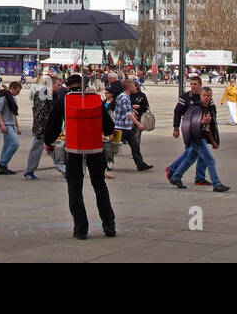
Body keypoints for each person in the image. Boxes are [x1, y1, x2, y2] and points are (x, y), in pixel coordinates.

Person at [42, 73, 116, 239]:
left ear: (68, 86)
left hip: (73, 150)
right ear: (84, 85)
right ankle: (109, 224)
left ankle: (81, 229)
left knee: (75, 189)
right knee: (100, 187)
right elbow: (109, 128)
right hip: (95, 149)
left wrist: (48, 142)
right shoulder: (96, 100)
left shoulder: (64, 101)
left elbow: (53, 124)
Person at [169, 86, 230, 192]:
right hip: (196, 138)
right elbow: (188, 123)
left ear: (211, 96)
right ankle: (217, 183)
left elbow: (210, 127)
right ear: (200, 96)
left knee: (190, 158)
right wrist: (201, 122)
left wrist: (213, 140)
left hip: (203, 137)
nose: (206, 97)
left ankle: (176, 176)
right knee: (210, 160)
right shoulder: (195, 108)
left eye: (208, 96)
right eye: (204, 95)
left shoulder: (210, 108)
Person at [20, 75, 55, 181]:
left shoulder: (49, 94)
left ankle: (64, 168)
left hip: (48, 127)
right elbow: (40, 113)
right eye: (57, 85)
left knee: (54, 148)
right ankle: (29, 171)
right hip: (42, 128)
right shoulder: (42, 94)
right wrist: (40, 129)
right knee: (38, 148)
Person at [116, 78, 153, 171]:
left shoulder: (125, 97)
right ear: (128, 87)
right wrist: (138, 124)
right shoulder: (124, 98)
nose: (135, 87)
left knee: (135, 146)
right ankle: (105, 163)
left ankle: (140, 164)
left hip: (127, 126)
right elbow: (127, 113)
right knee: (114, 146)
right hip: (121, 126)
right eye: (133, 85)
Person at [0, 80, 22, 175]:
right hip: (6, 124)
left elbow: (14, 114)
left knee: (7, 145)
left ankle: (3, 167)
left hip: (11, 124)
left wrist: (17, 126)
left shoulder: (13, 98)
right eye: (17, 91)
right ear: (12, 89)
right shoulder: (4, 98)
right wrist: (1, 124)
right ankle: (3, 163)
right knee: (15, 143)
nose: (18, 93)